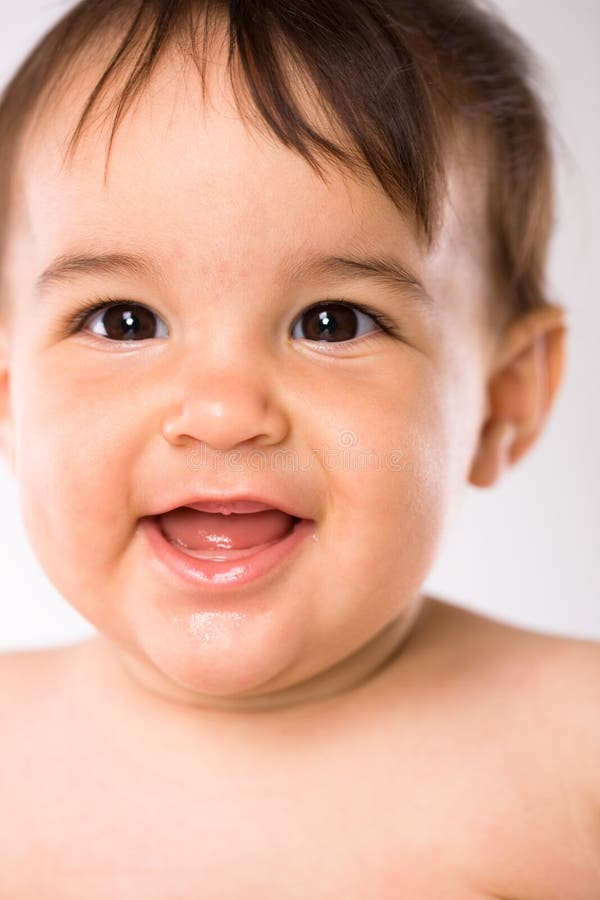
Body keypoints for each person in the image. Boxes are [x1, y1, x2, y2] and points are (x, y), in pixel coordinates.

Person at [0, 1, 598, 896]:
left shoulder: (576, 758)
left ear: (502, 402)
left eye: (333, 322)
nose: (221, 413)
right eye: (124, 321)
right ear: (10, 394)